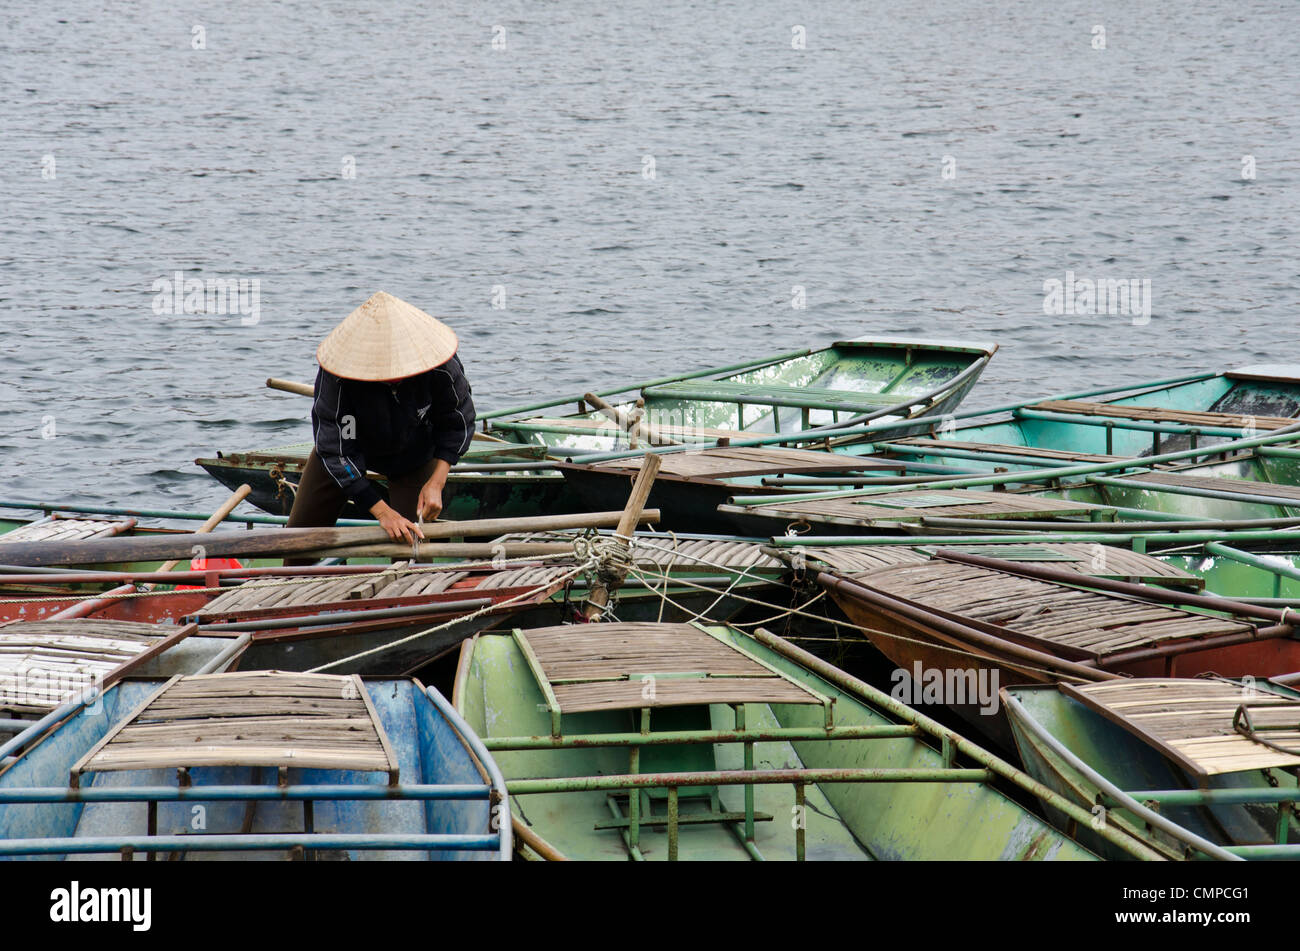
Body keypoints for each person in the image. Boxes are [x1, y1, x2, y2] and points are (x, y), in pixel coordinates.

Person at [286, 291, 475, 548]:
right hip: (351, 446)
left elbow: (458, 422)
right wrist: (383, 513)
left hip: (415, 454)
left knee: (412, 545)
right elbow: (335, 448)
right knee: (298, 541)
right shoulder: (339, 375)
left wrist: (436, 483)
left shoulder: (440, 365)